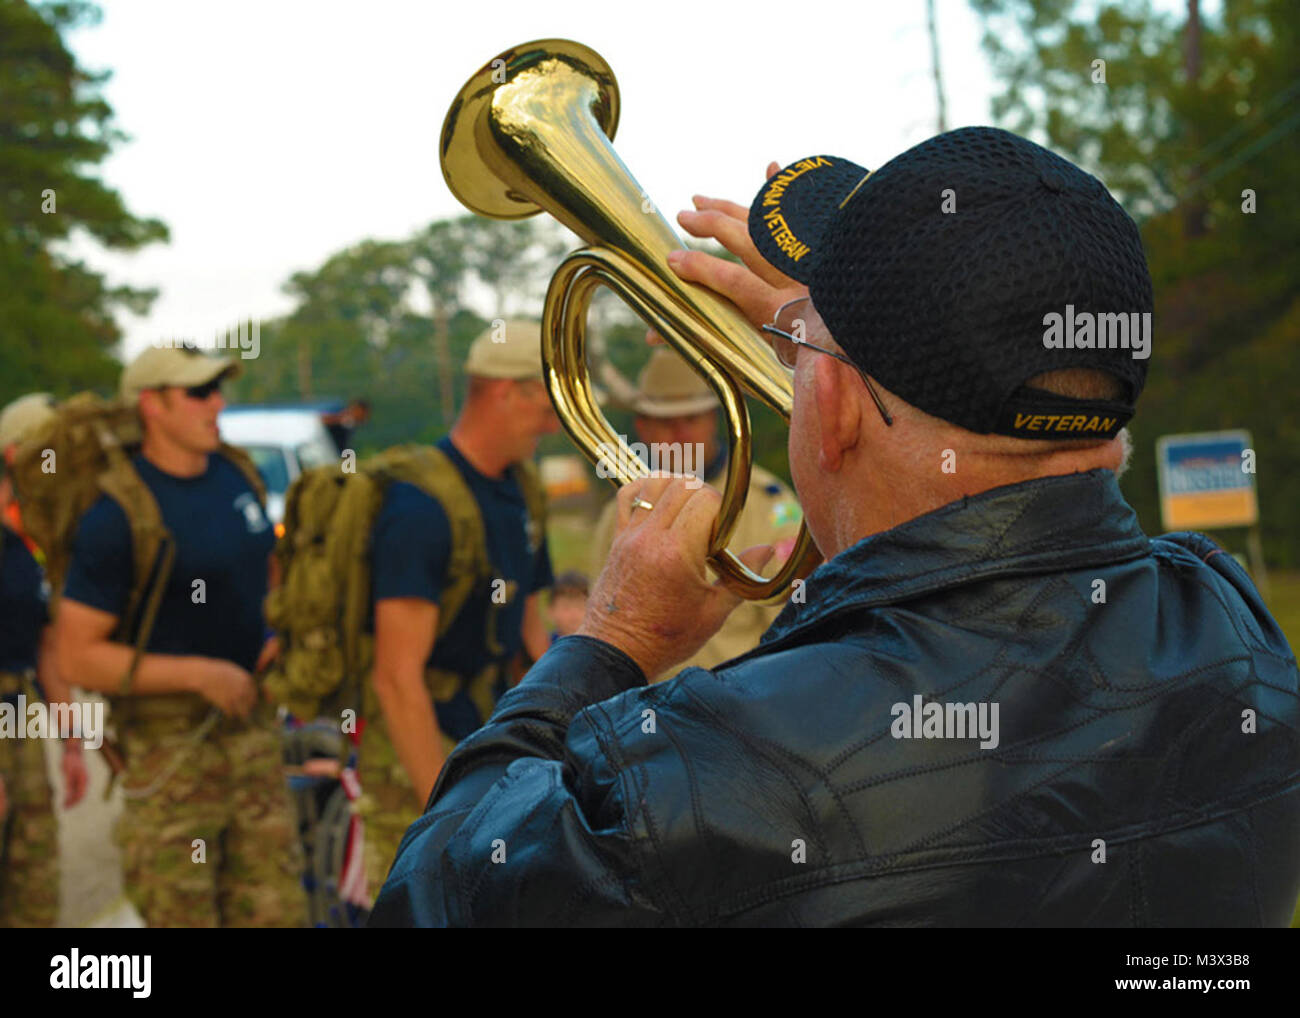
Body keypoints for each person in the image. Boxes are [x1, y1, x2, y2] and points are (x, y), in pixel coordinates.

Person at [369, 127, 1300, 927]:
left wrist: (614, 637)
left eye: (801, 341)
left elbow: (433, 889)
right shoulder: (1233, 627)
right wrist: (829, 346)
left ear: (842, 404)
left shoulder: (709, 771)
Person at [54, 346, 306, 927]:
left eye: (218, 388)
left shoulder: (235, 474)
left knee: (276, 911)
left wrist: (275, 631)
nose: (216, 402)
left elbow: (264, 571)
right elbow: (77, 656)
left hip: (252, 735)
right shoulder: (117, 513)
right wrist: (199, 673)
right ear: (152, 405)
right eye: (199, 392)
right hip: (170, 750)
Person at [358, 319, 559, 897]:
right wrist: (437, 815)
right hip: (417, 751)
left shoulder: (523, 489)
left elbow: (527, 626)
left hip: (489, 734)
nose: (553, 423)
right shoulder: (420, 507)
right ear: (505, 391)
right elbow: (397, 678)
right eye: (545, 404)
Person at [590, 349, 802, 675]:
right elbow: (602, 632)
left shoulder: (774, 505)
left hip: (742, 710)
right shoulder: (619, 514)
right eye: (666, 422)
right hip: (645, 714)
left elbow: (794, 629)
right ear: (643, 427)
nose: (681, 434)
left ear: (715, 419)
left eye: (692, 418)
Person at [0, 393, 88, 927]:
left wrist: (74, 743)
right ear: (16, 454)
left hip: (18, 711)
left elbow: (47, 644)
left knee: (34, 870)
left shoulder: (26, 539)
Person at [548, 570, 589, 642]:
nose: (574, 616)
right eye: (566, 608)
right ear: (551, 611)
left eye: (580, 607)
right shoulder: (543, 646)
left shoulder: (597, 647)